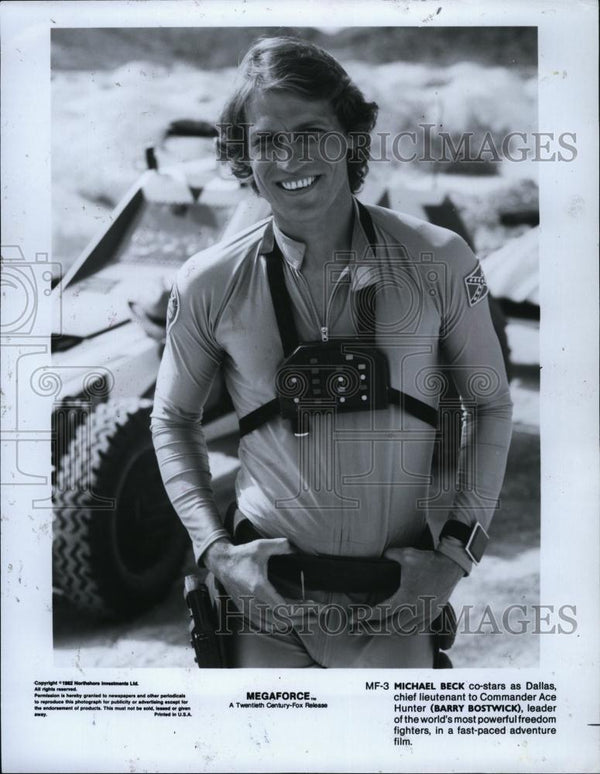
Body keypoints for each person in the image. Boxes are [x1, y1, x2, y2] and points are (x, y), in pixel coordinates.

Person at [151, 36, 513, 668]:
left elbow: (492, 407)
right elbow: (172, 419)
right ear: (244, 156)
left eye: (312, 131)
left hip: (395, 606)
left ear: (350, 136)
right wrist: (215, 551)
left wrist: (455, 557)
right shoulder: (207, 281)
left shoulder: (441, 259)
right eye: (266, 140)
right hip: (265, 611)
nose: (290, 156)